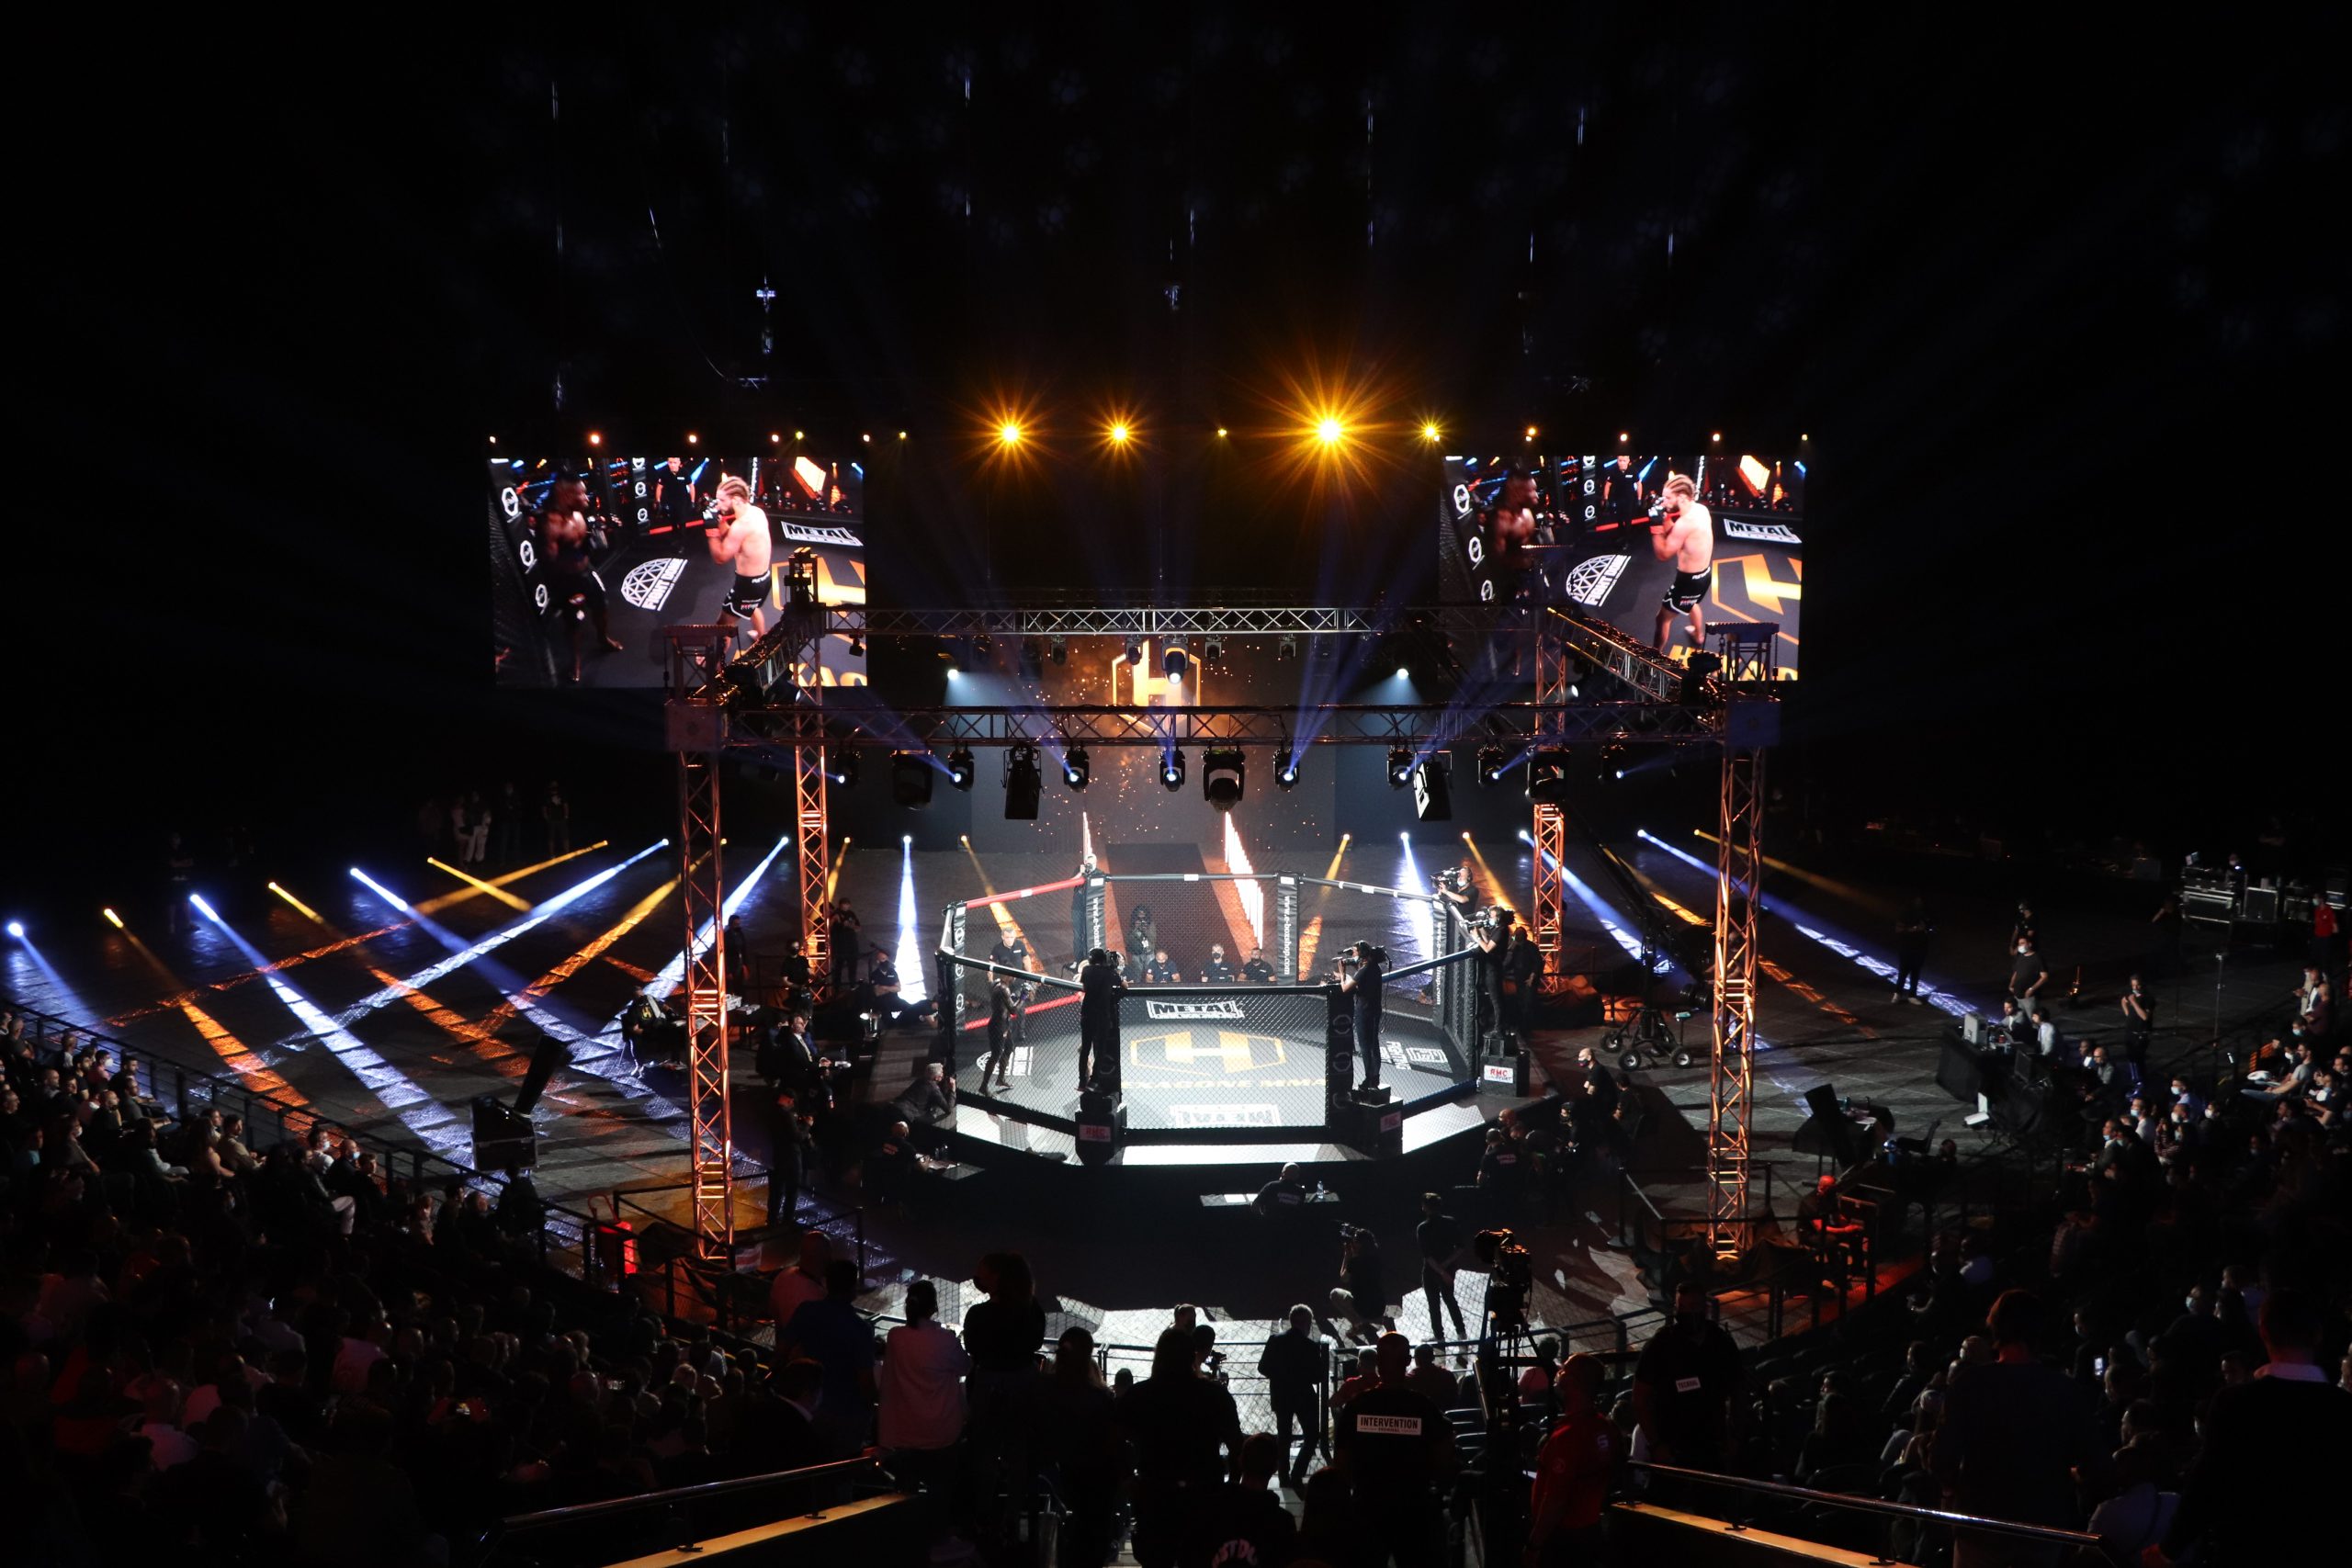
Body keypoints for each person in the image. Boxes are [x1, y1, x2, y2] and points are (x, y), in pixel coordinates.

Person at [2154, 1288, 2352, 1567]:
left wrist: (2169, 1549)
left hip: (2246, 1552)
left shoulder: (2234, 1403)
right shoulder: (2343, 1409)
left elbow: (2208, 1483)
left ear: (2264, 1332)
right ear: (2317, 1335)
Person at [1930, 1289, 2095, 1564]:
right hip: (2041, 1529)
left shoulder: (1969, 1384)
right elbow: (2094, 1463)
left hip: (1981, 1526)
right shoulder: (2064, 1390)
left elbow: (1941, 1458)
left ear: (1995, 1329)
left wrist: (1952, 1490)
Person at [1116, 1325, 1244, 1568]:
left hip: (1156, 1490)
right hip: (1204, 1491)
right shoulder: (1214, 1395)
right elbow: (1236, 1445)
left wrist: (1126, 1478)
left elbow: (1114, 1440)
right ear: (1192, 1356)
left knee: (1156, 1558)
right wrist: (1232, 1485)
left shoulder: (1139, 1395)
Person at [1332, 1332, 1460, 1568]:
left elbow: (1341, 1462)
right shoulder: (1422, 1407)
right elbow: (1443, 1459)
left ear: (1377, 1362)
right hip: (1414, 1511)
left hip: (1367, 1506)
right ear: (1407, 1361)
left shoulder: (1357, 1407)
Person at [1632, 1283, 1743, 1473]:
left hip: (1712, 1444)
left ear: (1705, 1308)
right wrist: (1657, 1445)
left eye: (1693, 1307)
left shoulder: (1721, 1342)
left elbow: (1738, 1391)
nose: (1687, 1312)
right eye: (1682, 1307)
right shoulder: (1660, 1345)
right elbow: (1640, 1397)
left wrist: (1733, 1435)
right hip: (1672, 1447)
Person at [1528, 1354, 1621, 1568]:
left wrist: (1534, 1545)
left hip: (1563, 1539)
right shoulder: (1605, 1427)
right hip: (1590, 1529)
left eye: (1563, 1373)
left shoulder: (1567, 1437)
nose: (1559, 1378)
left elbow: (1555, 1501)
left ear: (1572, 1383)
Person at [777, 1259, 877, 1459]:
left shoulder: (806, 1311)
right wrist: (873, 1407)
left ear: (827, 1283)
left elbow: (781, 1352)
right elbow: (865, 1379)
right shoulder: (861, 1329)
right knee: (842, 1472)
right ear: (852, 1288)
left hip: (811, 1406)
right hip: (847, 1413)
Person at [878, 1280, 970, 1493]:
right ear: (934, 1307)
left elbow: (889, 1383)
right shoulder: (945, 1341)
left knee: (905, 1492)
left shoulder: (895, 1337)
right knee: (941, 1490)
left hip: (906, 1431)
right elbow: (965, 1367)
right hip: (942, 1431)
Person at [541, 476, 626, 680]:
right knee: (573, 623)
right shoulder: (551, 524)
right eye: (581, 493)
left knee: (602, 606)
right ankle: (575, 662)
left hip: (587, 570)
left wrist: (598, 533)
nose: (586, 497)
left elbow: (581, 540)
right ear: (567, 495)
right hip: (566, 579)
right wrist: (567, 591)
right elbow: (549, 563)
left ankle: (602, 638)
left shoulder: (578, 513)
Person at [1186, 1433, 1300, 1568]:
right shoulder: (1282, 1523)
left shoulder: (1210, 1509)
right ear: (1275, 1467)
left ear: (1240, 1461)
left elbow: (1188, 1555)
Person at [1258, 1304, 1326, 1490]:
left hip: (1281, 1394)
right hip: (1304, 1395)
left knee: (1284, 1435)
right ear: (1306, 1323)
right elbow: (1318, 1376)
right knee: (1312, 1435)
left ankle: (1283, 1475)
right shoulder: (1310, 1346)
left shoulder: (1275, 1340)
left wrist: (1281, 1376)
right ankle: (1297, 1473)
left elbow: (1262, 1367)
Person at [1646, 472, 1714, 654]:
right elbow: (1678, 535)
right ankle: (1699, 635)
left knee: (1662, 619)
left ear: (1682, 497)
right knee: (1691, 604)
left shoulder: (1685, 523)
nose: (1664, 501)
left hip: (1688, 582)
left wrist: (1655, 525)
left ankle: (1655, 657)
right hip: (1704, 575)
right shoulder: (1701, 510)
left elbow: (1663, 554)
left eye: (1668, 498)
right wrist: (1666, 518)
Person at [706, 473, 773, 648]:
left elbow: (720, 557)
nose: (718, 504)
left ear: (735, 499)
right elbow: (737, 541)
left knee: (722, 625)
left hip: (748, 586)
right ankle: (761, 637)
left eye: (721, 500)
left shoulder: (741, 526)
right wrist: (720, 523)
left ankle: (714, 663)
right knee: (753, 608)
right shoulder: (756, 512)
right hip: (764, 580)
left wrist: (711, 529)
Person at [1418, 1192, 1468, 1340]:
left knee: (1433, 1304)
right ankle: (1461, 1332)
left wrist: (1440, 1271)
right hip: (1449, 1268)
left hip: (1431, 1270)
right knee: (1450, 1299)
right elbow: (1460, 1247)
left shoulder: (1422, 1228)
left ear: (1425, 1207)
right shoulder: (1451, 1222)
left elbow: (1427, 1255)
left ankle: (1439, 1336)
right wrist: (1445, 1268)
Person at [1338, 942, 1387, 1091]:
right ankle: (1375, 1078)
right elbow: (1364, 983)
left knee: (1366, 1047)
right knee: (1374, 1045)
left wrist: (1342, 974)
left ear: (1360, 954)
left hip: (1364, 1012)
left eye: (1354, 952)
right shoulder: (1374, 968)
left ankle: (1369, 1079)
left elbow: (1345, 988)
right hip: (1374, 1011)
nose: (1352, 955)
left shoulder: (1364, 970)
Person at [1078, 947, 1125, 1092]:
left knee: (1085, 1048)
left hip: (1087, 1014)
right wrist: (1113, 972)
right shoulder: (1109, 972)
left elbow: (1085, 983)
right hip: (1102, 1016)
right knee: (1101, 1050)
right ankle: (1094, 1081)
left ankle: (1082, 1081)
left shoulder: (1086, 970)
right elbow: (1124, 986)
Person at [1894, 897, 1932, 1004]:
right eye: (1917, 902)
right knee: (1903, 972)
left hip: (1919, 948)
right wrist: (1915, 929)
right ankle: (1898, 993)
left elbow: (1930, 929)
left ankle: (1912, 995)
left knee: (1915, 972)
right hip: (1906, 948)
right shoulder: (1904, 916)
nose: (1919, 904)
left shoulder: (1924, 916)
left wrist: (1926, 929)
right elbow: (1899, 930)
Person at [982, 976, 1016, 1091]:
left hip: (1003, 1024)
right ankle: (983, 1086)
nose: (1014, 978)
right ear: (1007, 976)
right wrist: (1023, 997)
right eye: (1013, 975)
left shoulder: (996, 984)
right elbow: (1013, 1011)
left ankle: (1000, 1079)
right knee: (995, 1056)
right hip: (999, 1027)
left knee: (1009, 1048)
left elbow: (1005, 1005)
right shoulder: (1003, 989)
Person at [2008, 932, 2050, 1020]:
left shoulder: (2037, 958)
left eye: (2022, 943)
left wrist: (2031, 989)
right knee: (2018, 1019)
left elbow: (2044, 977)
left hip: (2029, 998)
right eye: (2019, 944)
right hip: (2017, 995)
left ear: (2029, 944)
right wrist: (2011, 985)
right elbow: (2016, 972)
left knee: (2033, 1020)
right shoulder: (2020, 957)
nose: (2020, 946)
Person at [2120, 975, 2156, 1069]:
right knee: (2130, 1057)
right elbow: (2123, 1001)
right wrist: (2128, 1014)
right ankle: (2134, 1077)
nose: (2135, 988)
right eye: (2133, 986)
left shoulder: (2148, 998)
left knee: (2138, 1059)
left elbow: (2145, 1017)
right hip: (2129, 1031)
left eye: (2138, 985)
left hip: (2141, 1033)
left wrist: (2134, 1002)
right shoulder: (2130, 993)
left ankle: (2142, 1078)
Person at [655, 454, 697, 526]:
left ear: (679, 463)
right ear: (668, 463)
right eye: (670, 462)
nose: (672, 465)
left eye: (674, 463)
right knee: (673, 521)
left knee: (682, 521)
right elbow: (659, 487)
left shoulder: (684, 472)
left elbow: (691, 486)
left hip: (682, 500)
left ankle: (683, 534)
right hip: (670, 500)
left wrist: (692, 501)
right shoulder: (664, 473)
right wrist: (658, 501)